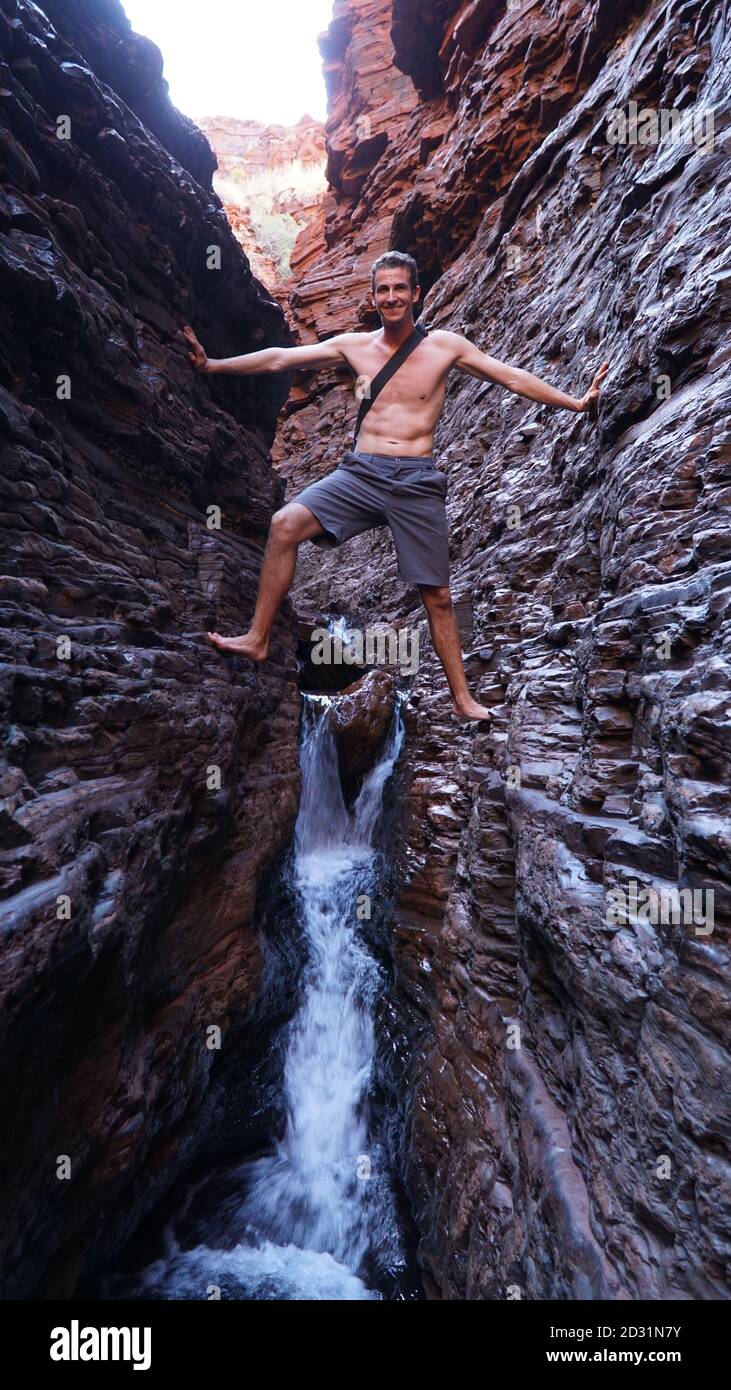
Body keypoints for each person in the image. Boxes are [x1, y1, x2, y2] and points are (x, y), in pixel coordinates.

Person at [183, 251, 608, 722]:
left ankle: (464, 701)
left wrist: (575, 402)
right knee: (284, 524)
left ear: (415, 294)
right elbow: (281, 358)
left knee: (438, 597)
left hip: (415, 481)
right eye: (383, 290)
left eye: (399, 288)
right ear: (373, 297)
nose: (391, 297)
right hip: (360, 473)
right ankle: (257, 638)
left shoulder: (445, 346)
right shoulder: (355, 347)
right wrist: (213, 366)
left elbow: (508, 375)